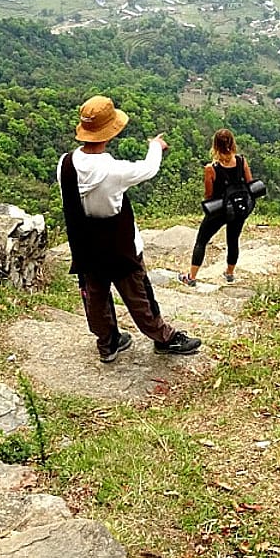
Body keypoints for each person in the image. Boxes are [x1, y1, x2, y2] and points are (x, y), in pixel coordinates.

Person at [57, 95, 201, 363]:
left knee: (96, 296)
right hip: (120, 246)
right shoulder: (114, 170)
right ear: (109, 132)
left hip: (85, 246)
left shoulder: (65, 164)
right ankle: (163, 338)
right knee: (138, 295)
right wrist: (155, 146)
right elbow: (148, 169)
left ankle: (108, 342)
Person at [181, 128, 253, 286]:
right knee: (233, 240)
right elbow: (250, 183)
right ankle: (229, 273)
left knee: (202, 240)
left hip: (220, 209)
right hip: (239, 208)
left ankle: (192, 278)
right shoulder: (241, 161)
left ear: (215, 145)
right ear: (232, 143)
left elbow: (209, 193)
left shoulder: (211, 168)